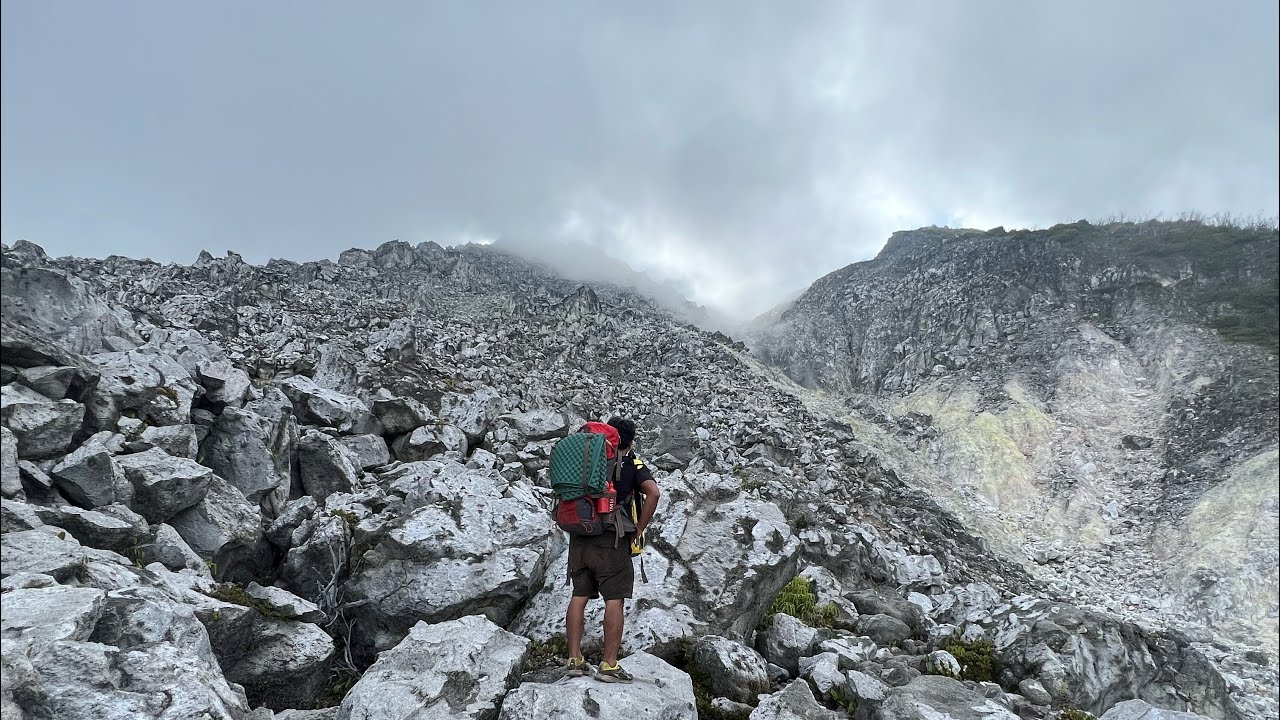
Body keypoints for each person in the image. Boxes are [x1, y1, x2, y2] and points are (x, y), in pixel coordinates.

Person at [564, 416, 661, 683]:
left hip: (580, 535)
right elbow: (653, 493)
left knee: (579, 595)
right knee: (614, 599)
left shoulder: (585, 461)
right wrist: (638, 529)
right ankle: (608, 664)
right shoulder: (631, 462)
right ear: (629, 442)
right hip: (611, 538)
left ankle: (574, 659)